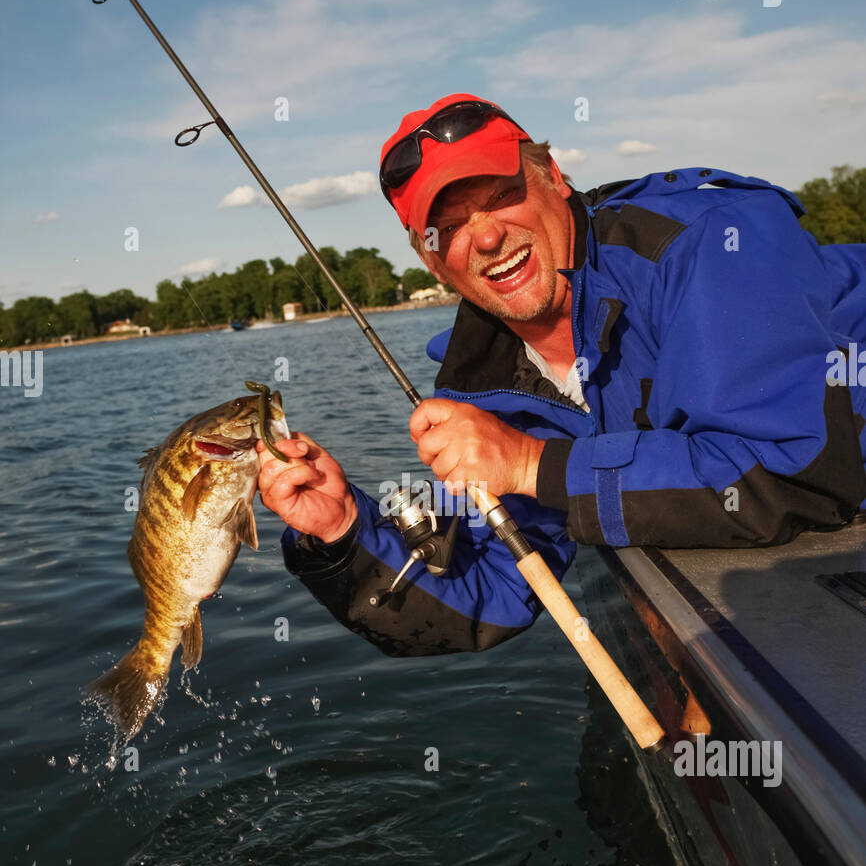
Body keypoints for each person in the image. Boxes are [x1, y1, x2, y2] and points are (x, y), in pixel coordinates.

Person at [257, 93, 866, 656]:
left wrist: (531, 466)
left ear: (554, 177)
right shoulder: (483, 385)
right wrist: (343, 532)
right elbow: (494, 592)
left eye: (499, 194)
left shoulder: (707, 243)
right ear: (432, 261)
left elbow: (797, 471)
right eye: (449, 227)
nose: (488, 235)